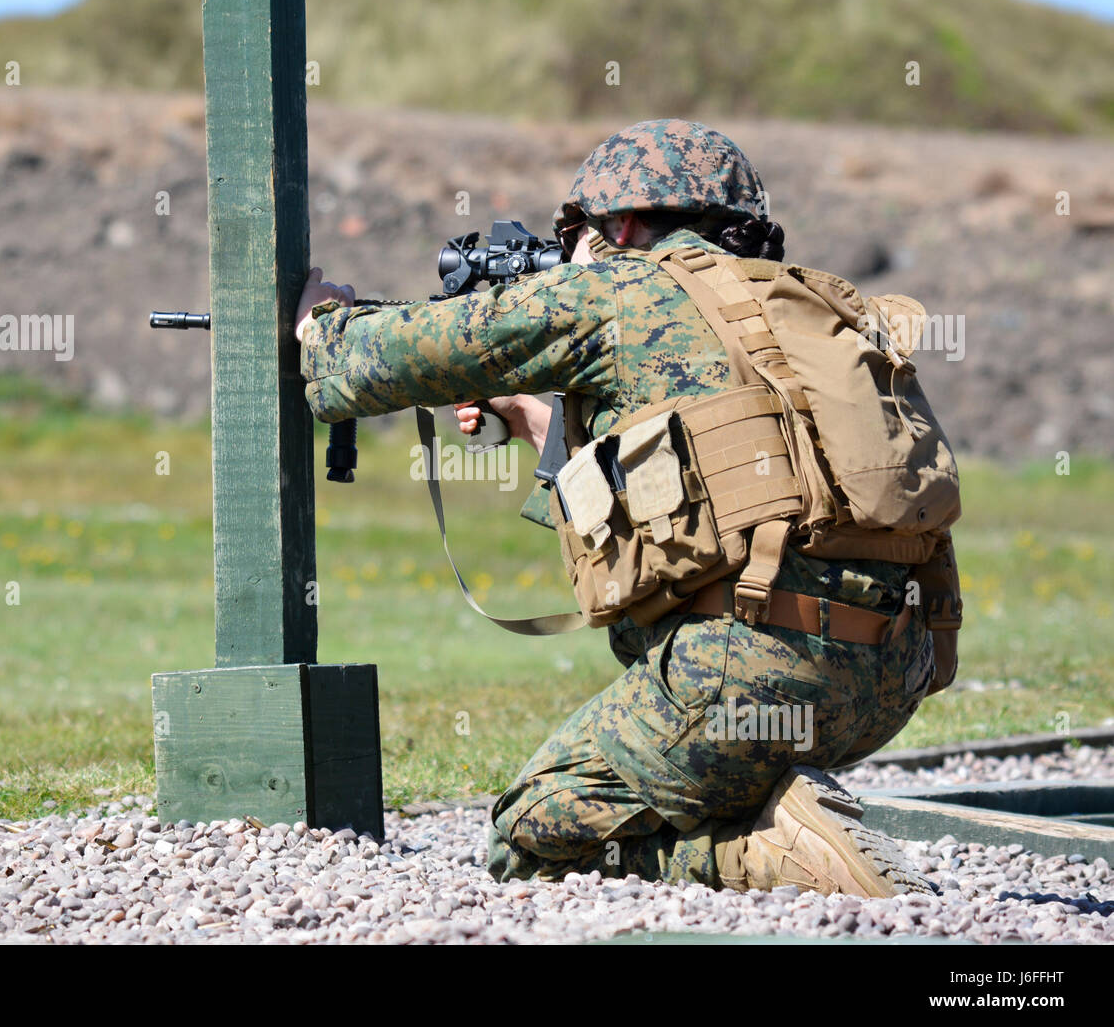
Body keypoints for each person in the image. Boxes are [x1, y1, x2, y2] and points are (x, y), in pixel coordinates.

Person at [295, 119, 946, 896]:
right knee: (685, 774)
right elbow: (744, 466)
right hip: (889, 683)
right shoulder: (808, 306)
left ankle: (762, 853)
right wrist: (540, 421)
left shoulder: (614, 288)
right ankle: (768, 798)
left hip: (748, 683)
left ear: (623, 226)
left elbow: (367, 366)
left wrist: (320, 322)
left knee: (528, 838)